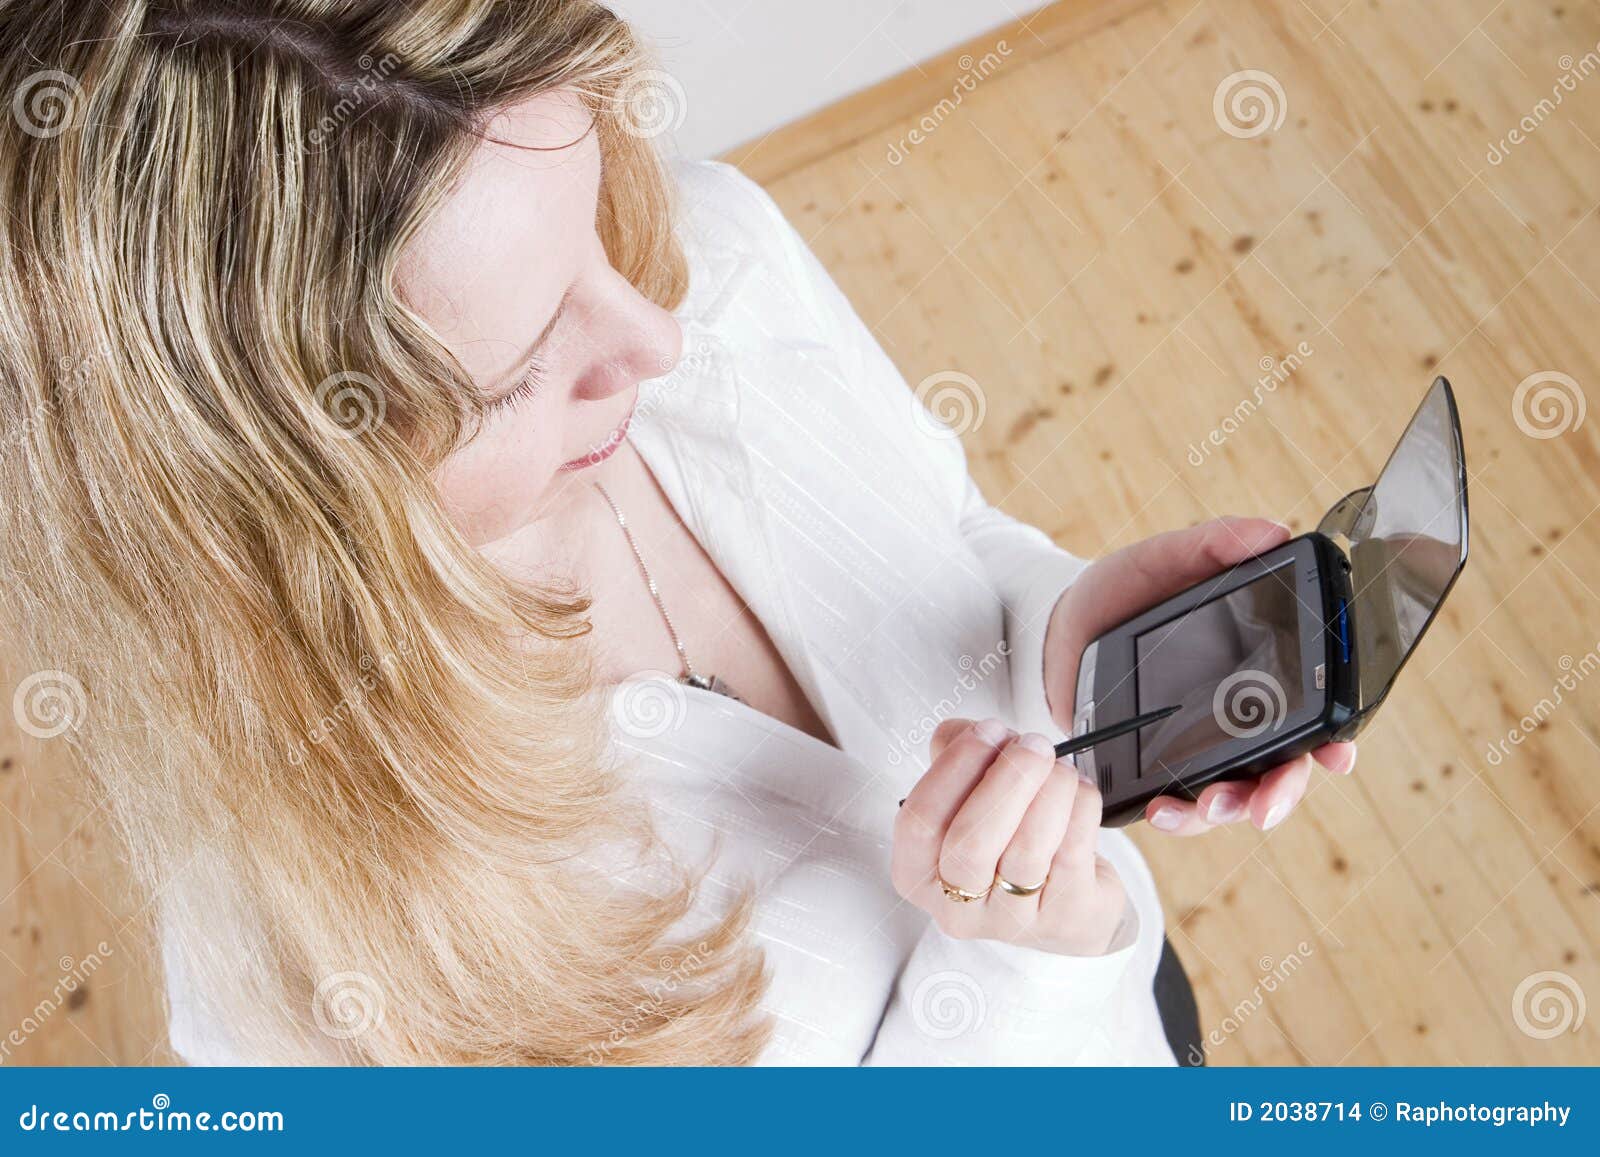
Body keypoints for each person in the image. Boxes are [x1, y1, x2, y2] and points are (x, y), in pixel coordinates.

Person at [0, 0, 1355, 1065]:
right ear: (289, 484)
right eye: (527, 366)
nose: (655, 337)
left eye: (592, 223)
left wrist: (1071, 624)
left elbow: (946, 523)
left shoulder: (715, 249)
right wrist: (1031, 962)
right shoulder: (302, 982)